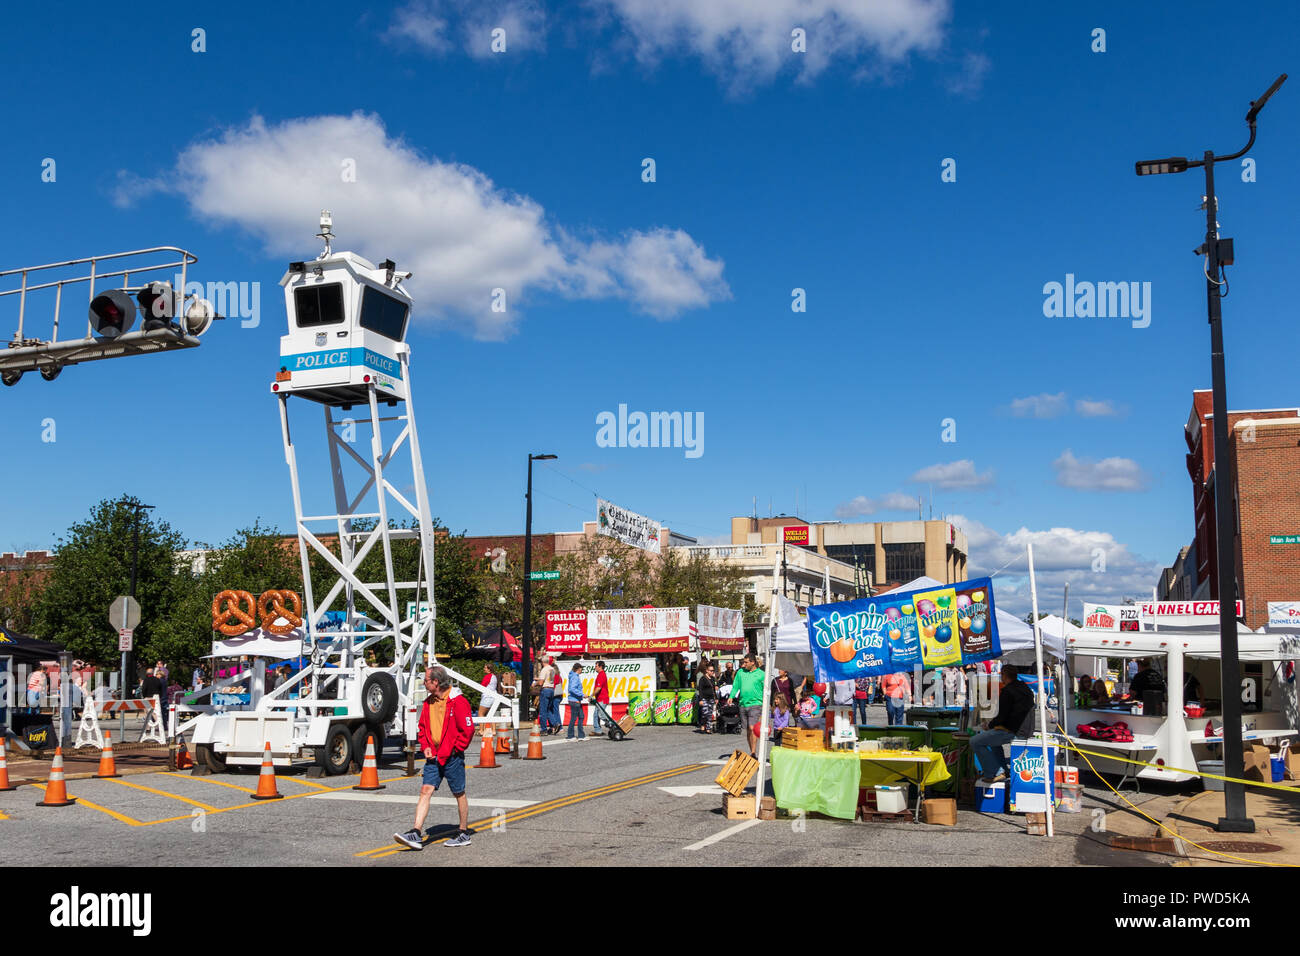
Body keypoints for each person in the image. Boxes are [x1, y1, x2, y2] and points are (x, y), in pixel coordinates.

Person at [395, 667, 475, 849]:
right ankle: (416, 832)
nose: (424, 682)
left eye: (426, 680)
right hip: (434, 757)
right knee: (425, 790)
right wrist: (426, 747)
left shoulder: (458, 701)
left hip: (452, 757)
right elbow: (422, 728)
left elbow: (468, 729)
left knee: (459, 793)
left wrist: (456, 748)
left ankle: (463, 832)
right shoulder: (429, 702)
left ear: (435, 682)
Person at [972, 664, 1035, 785]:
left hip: (1013, 731)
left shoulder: (1008, 691)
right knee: (993, 742)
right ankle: (1004, 772)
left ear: (1004, 676)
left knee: (975, 741)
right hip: (1026, 730)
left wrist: (988, 726)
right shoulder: (1025, 688)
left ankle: (995, 773)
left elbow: (1002, 717)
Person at [729, 654, 767, 757]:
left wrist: (767, 704)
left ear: (752, 662)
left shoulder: (762, 674)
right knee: (747, 730)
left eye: (746, 662)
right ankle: (752, 751)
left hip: (756, 704)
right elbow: (735, 686)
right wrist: (731, 696)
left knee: (752, 727)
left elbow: (766, 690)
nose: (743, 665)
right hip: (743, 704)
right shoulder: (741, 673)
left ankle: (754, 752)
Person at [535, 656, 557, 734]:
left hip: (545, 689)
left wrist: (535, 684)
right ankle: (554, 724)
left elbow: (541, 682)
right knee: (548, 709)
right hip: (551, 689)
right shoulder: (552, 669)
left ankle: (544, 729)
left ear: (542, 662)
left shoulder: (544, 670)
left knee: (543, 710)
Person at [565, 663, 587, 740]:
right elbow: (572, 689)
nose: (582, 670)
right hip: (574, 700)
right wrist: (582, 694)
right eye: (581, 669)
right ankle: (570, 735)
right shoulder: (575, 677)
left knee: (581, 717)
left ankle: (581, 735)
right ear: (578, 669)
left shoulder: (575, 676)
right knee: (574, 718)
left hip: (576, 700)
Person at [695, 663, 718, 733]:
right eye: (711, 670)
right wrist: (701, 699)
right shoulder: (703, 679)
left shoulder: (713, 679)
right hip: (704, 698)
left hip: (711, 698)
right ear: (707, 671)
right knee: (705, 713)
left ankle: (708, 728)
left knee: (710, 714)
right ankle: (702, 725)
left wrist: (716, 698)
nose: (712, 672)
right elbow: (700, 689)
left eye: (713, 670)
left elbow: (713, 689)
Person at [590, 660, 611, 734]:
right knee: (596, 715)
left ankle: (612, 724)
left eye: (596, 666)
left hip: (602, 699)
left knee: (601, 715)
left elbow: (598, 688)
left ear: (600, 667)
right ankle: (597, 730)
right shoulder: (600, 675)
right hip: (599, 699)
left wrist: (591, 695)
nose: (595, 668)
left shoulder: (601, 675)